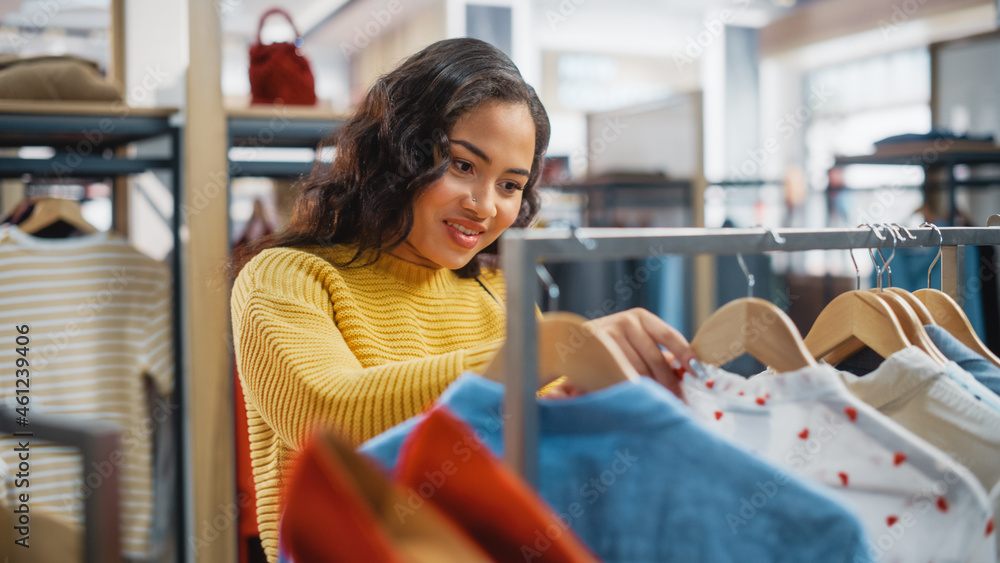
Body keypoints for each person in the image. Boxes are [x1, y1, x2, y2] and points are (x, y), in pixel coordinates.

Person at [229, 37, 694, 562]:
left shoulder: (496, 292)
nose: (484, 206)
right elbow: (328, 414)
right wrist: (539, 353)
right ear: (398, 151)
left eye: (510, 185)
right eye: (464, 166)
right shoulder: (286, 276)